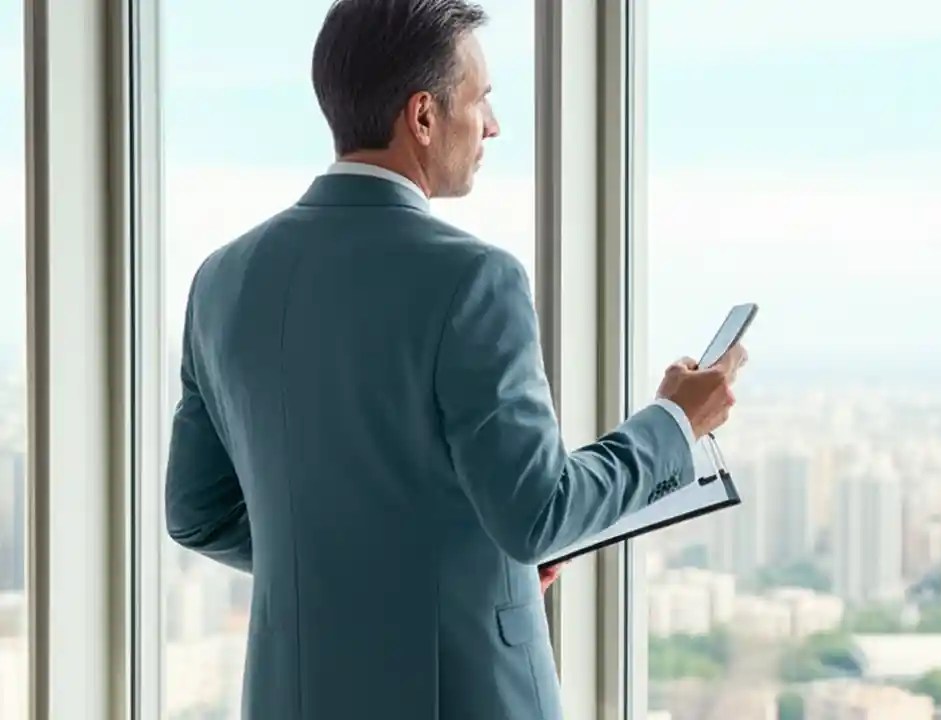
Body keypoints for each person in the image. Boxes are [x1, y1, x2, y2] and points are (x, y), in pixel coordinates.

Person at [163, 1, 747, 718]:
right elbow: (539, 513)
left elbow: (197, 515)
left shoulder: (221, 280)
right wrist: (675, 423)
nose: (492, 126)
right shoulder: (475, 279)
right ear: (423, 116)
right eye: (481, 100)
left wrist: (381, 574)